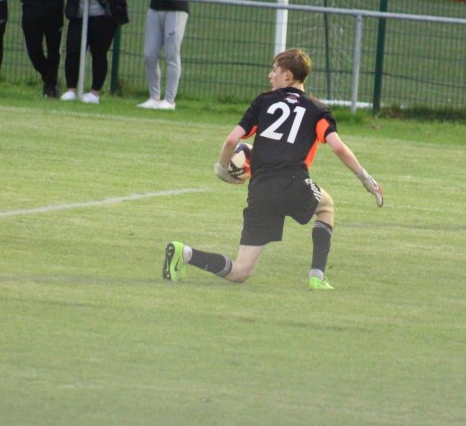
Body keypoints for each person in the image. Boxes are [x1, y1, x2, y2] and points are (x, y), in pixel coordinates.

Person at [162, 48, 384, 290]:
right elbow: (338, 147)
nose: (270, 75)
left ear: (287, 75)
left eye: (274, 70)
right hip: (294, 184)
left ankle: (185, 253)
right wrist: (365, 178)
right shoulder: (317, 109)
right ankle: (317, 276)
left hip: (260, 189)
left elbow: (231, 140)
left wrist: (222, 169)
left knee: (240, 271)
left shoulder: (263, 101)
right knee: (327, 206)